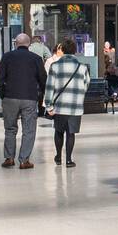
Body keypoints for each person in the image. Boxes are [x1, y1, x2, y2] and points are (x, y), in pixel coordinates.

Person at [0, 33, 46, 170]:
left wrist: (3, 95)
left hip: (10, 98)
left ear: (15, 44)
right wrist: (41, 95)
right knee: (29, 130)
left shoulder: (7, 57)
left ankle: (9, 158)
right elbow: (43, 79)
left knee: (10, 129)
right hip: (29, 98)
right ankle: (24, 160)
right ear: (29, 44)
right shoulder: (36, 58)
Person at [43, 38, 90, 168]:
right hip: (75, 106)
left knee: (58, 131)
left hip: (59, 106)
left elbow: (49, 87)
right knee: (71, 133)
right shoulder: (82, 67)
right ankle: (69, 159)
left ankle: (58, 156)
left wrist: (48, 105)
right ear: (75, 51)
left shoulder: (55, 66)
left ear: (62, 50)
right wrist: (78, 95)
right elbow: (86, 85)